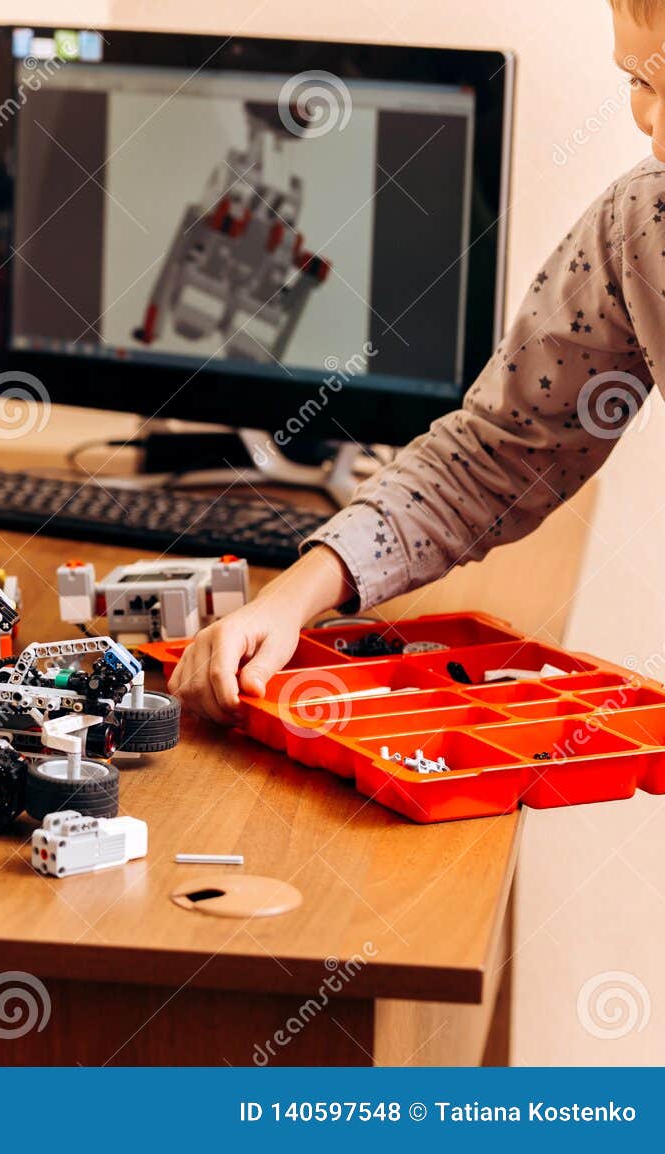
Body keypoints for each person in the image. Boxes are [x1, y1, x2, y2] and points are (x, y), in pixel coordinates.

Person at [173, 0, 665, 722]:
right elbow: (498, 453)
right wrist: (290, 599)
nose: (654, 129)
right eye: (640, 83)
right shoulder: (641, 222)